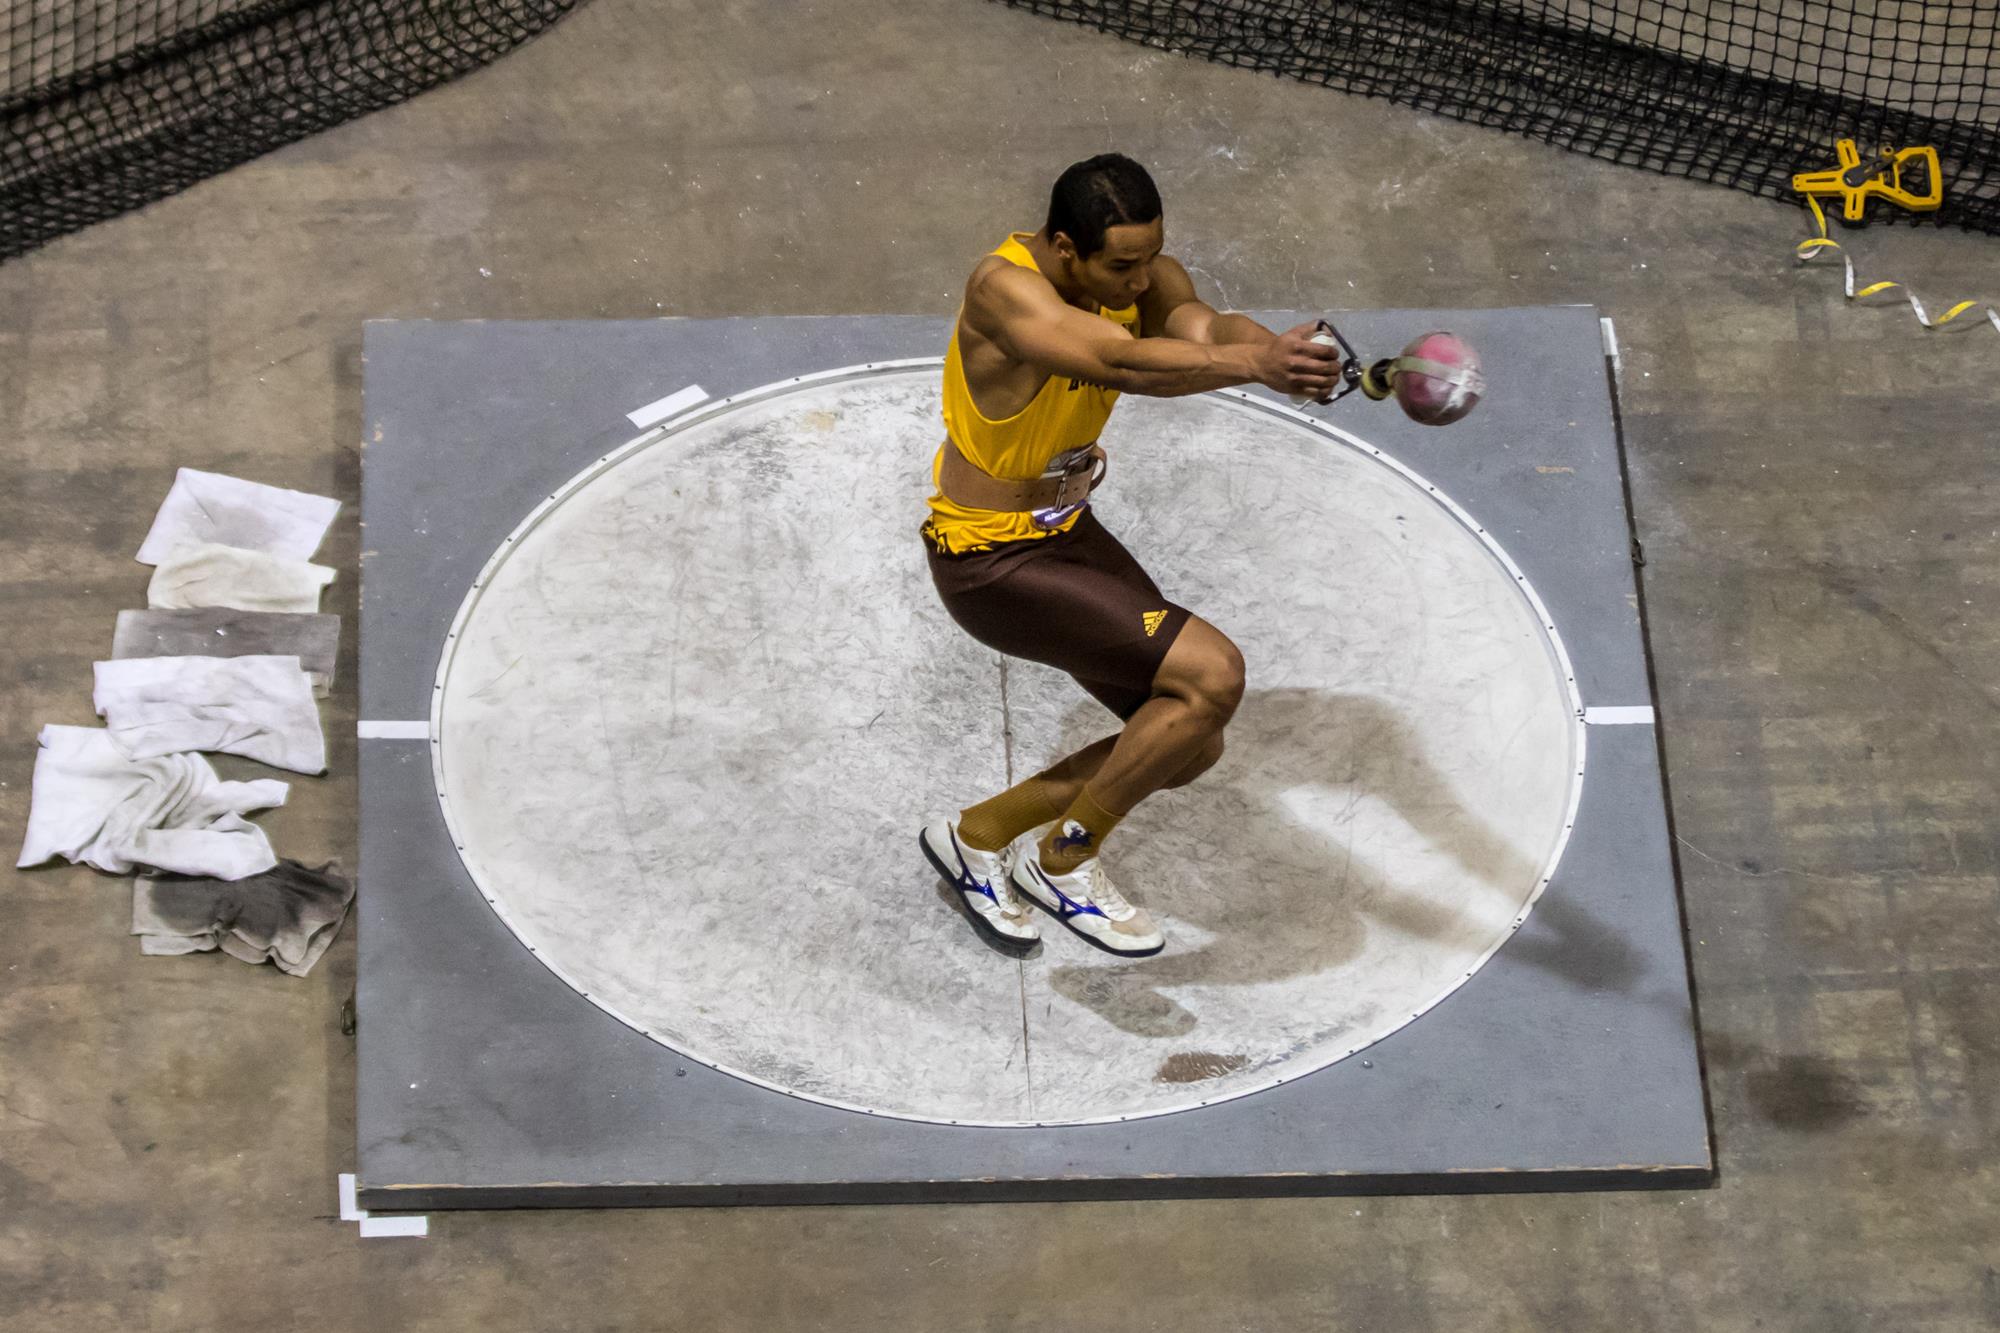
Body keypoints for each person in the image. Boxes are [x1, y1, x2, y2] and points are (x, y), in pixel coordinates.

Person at [917, 153, 1342, 956]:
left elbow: (1207, 331)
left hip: (1061, 532)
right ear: (1065, 246)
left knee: (1184, 743)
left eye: (1152, 256)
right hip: (989, 558)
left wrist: (1284, 355)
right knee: (1213, 674)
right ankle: (1064, 862)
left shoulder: (1137, 278)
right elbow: (1117, 361)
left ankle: (974, 837)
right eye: (1123, 264)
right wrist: (1251, 366)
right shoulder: (1003, 291)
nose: (1142, 281)